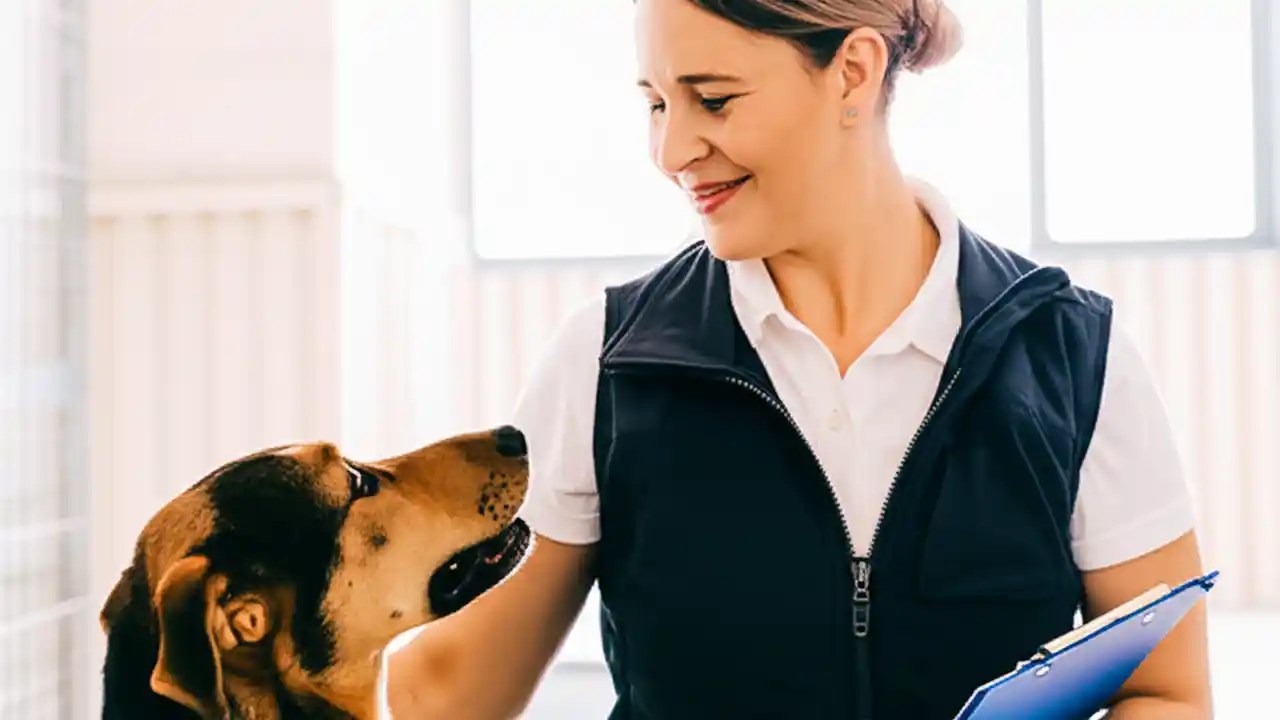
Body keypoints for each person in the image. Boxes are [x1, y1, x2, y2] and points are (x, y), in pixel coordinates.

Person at [382, 0, 1213, 717]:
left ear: (853, 71)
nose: (673, 151)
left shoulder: (1072, 355)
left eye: (712, 99)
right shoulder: (607, 364)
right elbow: (449, 697)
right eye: (656, 105)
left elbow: (1169, 692)